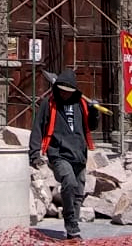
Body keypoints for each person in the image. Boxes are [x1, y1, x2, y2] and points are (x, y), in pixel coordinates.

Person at [28, 70, 99, 241]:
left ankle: (72, 228)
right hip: (58, 154)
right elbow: (38, 128)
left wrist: (94, 112)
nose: (63, 94)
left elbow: (92, 126)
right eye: (61, 90)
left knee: (78, 193)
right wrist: (34, 153)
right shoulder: (49, 104)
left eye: (67, 91)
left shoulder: (81, 104)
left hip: (79, 155)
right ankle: (71, 224)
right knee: (69, 181)